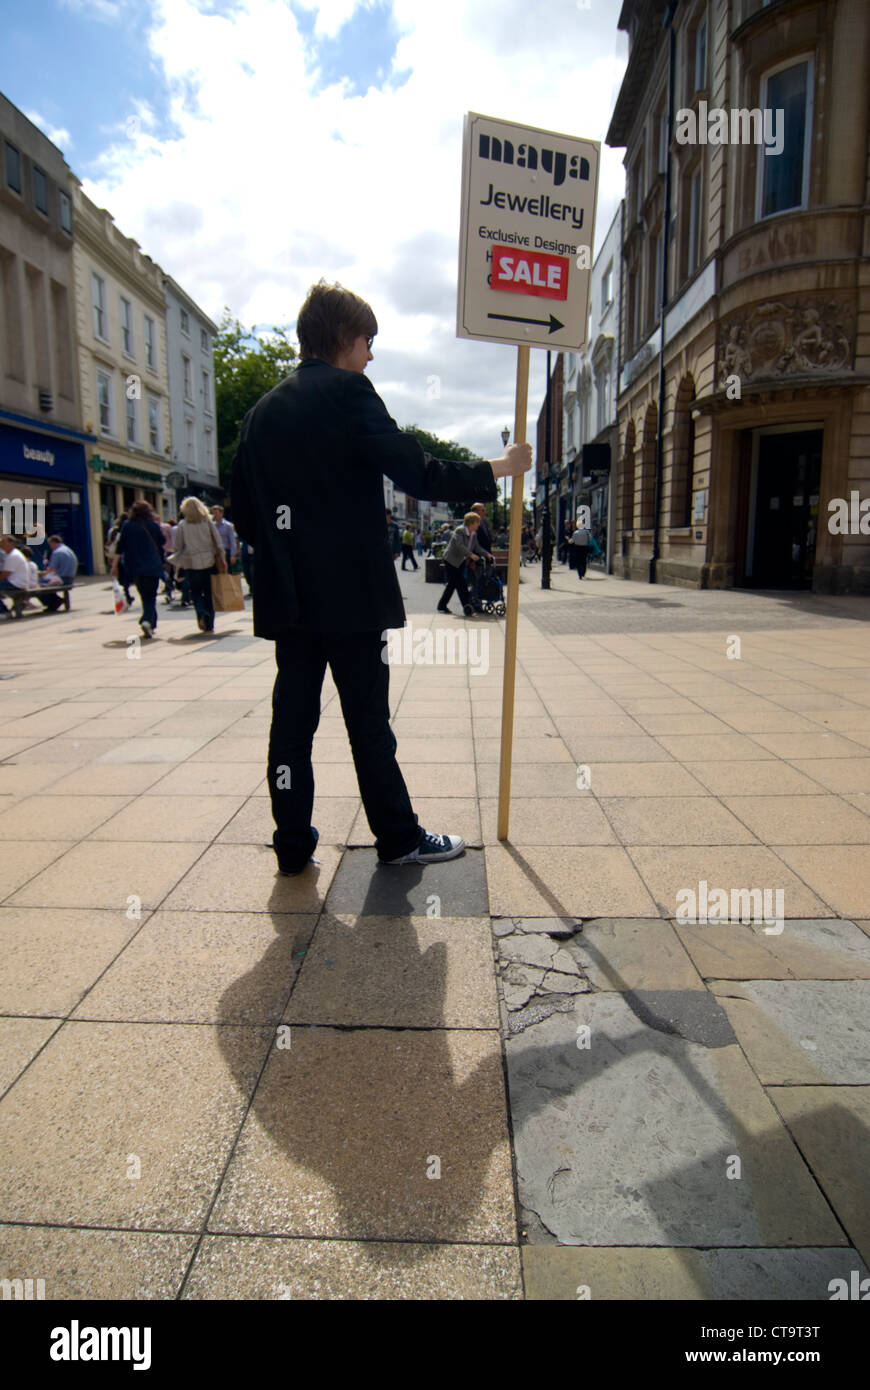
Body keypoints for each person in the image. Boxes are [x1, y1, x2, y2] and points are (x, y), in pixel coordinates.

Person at [230, 278, 531, 873]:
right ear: (345, 336)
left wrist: (287, 551)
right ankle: (398, 838)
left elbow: (242, 509)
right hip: (350, 598)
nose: (372, 352)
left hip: (290, 599)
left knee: (292, 721)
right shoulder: (350, 392)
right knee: (367, 722)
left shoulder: (259, 414)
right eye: (369, 339)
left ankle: (292, 843)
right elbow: (414, 469)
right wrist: (498, 466)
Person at [169, 497, 227, 632]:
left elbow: (178, 546)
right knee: (209, 593)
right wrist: (222, 557)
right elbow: (218, 542)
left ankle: (201, 612)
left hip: (191, 563)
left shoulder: (182, 525)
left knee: (195, 592)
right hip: (209, 561)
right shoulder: (207, 522)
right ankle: (210, 622)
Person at [111, 501, 165, 639]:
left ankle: (151, 624)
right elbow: (162, 541)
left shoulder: (127, 526)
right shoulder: (153, 525)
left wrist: (114, 565)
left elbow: (120, 547)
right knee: (151, 596)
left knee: (144, 596)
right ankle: (147, 621)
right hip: (152, 566)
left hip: (135, 567)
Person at [438, 512, 487, 617]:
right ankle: (467, 606)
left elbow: (477, 547)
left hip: (460, 561)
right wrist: (471, 555)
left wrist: (487, 554)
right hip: (451, 560)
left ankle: (443, 605)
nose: (478, 524)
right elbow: (459, 545)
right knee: (460, 583)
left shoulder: (473, 534)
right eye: (477, 522)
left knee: (453, 584)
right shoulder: (459, 531)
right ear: (472, 523)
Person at [0, 535, 31, 618]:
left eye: (3, 542)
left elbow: (4, 575)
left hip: (16, 583)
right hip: (17, 582)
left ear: (11, 543)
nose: (1, 544)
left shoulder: (13, 556)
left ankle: (4, 611)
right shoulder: (12, 554)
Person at [211, 505, 238, 570]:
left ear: (221, 513)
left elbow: (232, 541)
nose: (215, 515)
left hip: (226, 552)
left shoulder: (228, 526)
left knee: (227, 572)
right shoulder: (212, 526)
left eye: (216, 513)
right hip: (215, 553)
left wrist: (232, 555)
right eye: (213, 513)